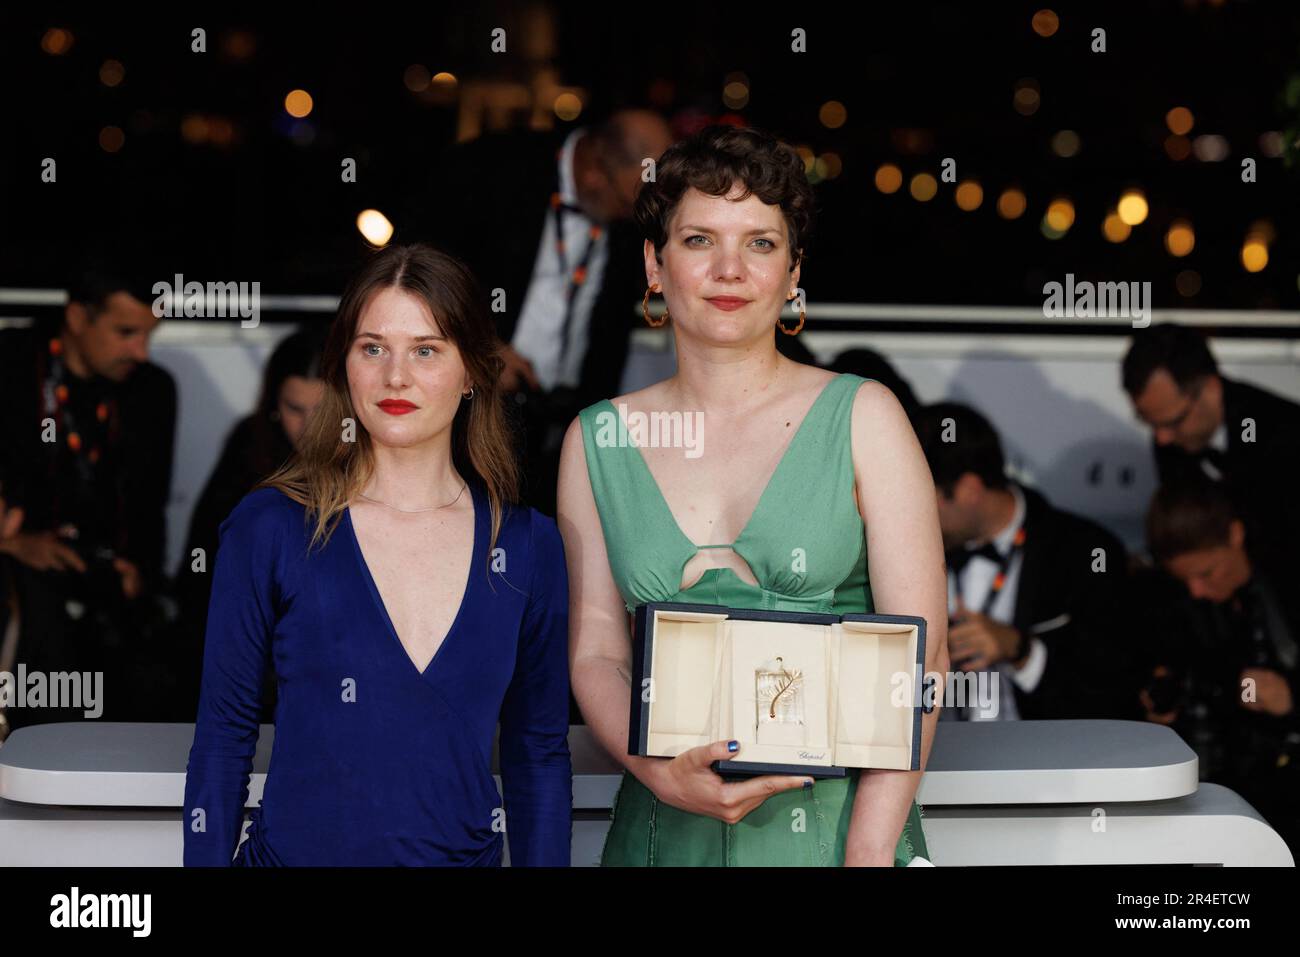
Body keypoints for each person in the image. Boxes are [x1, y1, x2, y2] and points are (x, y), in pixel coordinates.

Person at [557, 125, 948, 867]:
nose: (729, 268)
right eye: (700, 239)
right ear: (654, 263)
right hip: (659, 832)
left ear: (794, 270)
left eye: (761, 243)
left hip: (838, 837)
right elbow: (599, 651)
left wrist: (868, 848)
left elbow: (924, 658)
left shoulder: (866, 416)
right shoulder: (596, 439)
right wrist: (658, 773)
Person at [183, 244, 572, 866]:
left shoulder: (526, 546)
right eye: (373, 348)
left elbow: (538, 756)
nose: (396, 376)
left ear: (471, 371)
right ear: (344, 365)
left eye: (426, 349)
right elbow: (222, 740)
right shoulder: (272, 527)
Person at [408, 109, 673, 517]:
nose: (635, 217)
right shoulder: (490, 169)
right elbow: (415, 271)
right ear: (593, 173)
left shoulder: (631, 209)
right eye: (629, 202)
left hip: (566, 422)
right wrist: (478, 347)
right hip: (475, 410)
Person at [0, 261, 176, 726]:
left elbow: (148, 507)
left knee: (155, 667)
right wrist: (15, 542)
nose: (140, 351)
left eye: (147, 335)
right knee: (42, 629)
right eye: (125, 332)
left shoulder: (151, 391)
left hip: (104, 576)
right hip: (17, 567)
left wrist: (138, 573)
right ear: (78, 318)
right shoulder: (13, 366)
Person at [914, 402, 1141, 721]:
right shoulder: (908, 549)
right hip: (933, 758)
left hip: (1048, 760)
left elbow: (1110, 689)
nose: (909, 514)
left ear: (968, 490)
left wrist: (1022, 651)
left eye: (920, 499)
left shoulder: (1084, 551)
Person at [172, 324, 328, 721]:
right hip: (254, 648)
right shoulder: (250, 445)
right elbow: (200, 564)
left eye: (324, 410)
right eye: (295, 409)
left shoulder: (380, 454)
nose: (309, 428)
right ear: (273, 405)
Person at [1141, 477, 1300, 853]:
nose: (1196, 590)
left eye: (1207, 573)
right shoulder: (1171, 605)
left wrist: (1292, 698)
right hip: (1218, 794)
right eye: (1185, 579)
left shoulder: (1287, 585)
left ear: (1236, 535)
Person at [1122, 322, 1300, 570]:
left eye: (1174, 421)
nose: (1161, 438)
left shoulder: (1283, 435)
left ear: (1211, 389)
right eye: (1150, 423)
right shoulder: (1169, 440)